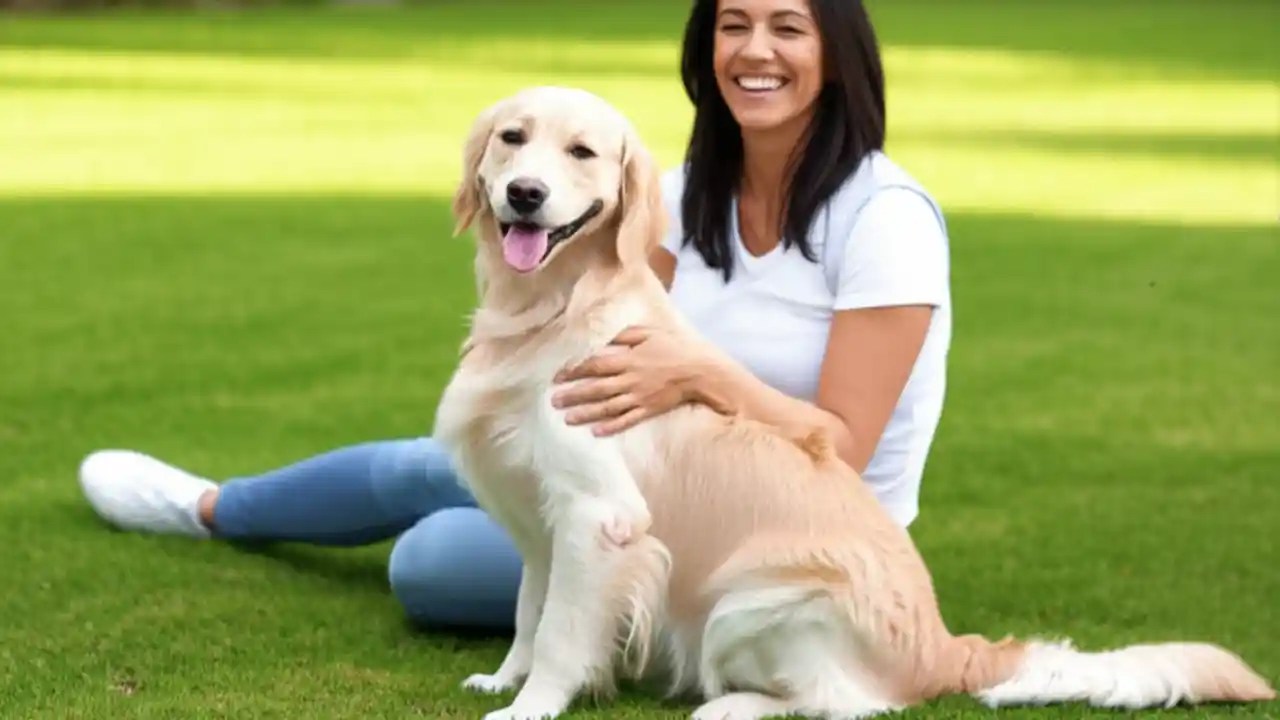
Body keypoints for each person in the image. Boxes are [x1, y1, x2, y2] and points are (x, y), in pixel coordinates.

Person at [77, 0, 951, 633]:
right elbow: (589, 323)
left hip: (775, 533)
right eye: (734, 24)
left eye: (787, 26)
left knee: (430, 563)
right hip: (639, 460)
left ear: (836, 52)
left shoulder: (886, 220)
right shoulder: (683, 196)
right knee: (432, 464)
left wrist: (698, 372)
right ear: (706, 47)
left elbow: (843, 447)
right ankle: (208, 508)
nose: (754, 49)